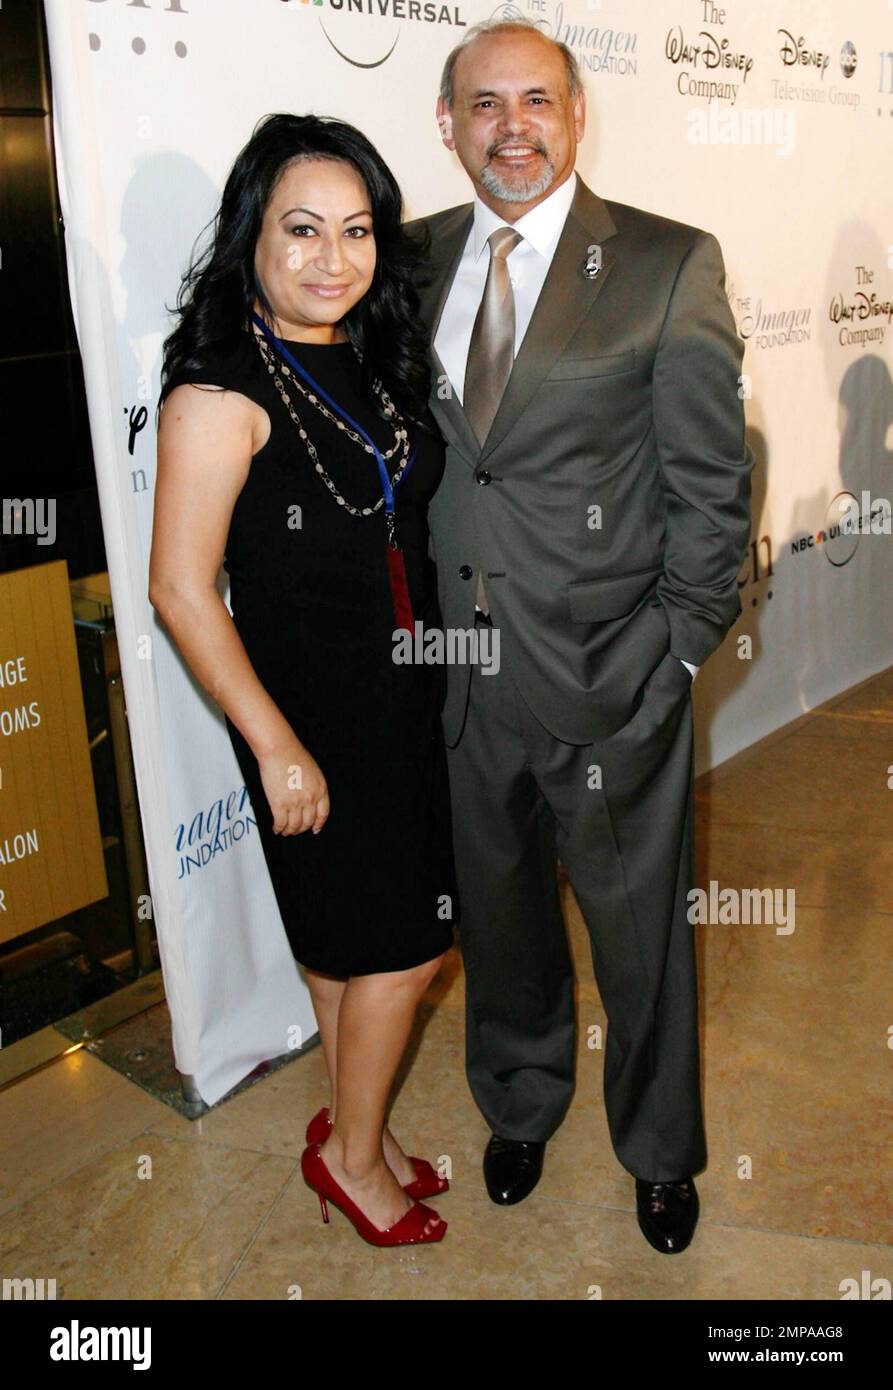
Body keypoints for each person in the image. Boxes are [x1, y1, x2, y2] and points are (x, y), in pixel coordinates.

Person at [405, 18, 754, 1254]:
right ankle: (518, 1098)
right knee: (496, 913)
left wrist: (674, 647)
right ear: (447, 124)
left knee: (639, 932)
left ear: (574, 114)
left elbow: (713, 483)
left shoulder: (664, 263)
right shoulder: (405, 262)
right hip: (457, 674)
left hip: (613, 670)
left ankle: (660, 1149)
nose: (512, 128)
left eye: (535, 101)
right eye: (483, 104)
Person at [149, 113, 457, 1248]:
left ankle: (352, 1126)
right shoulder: (217, 388)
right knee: (409, 947)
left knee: (343, 948)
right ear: (251, 238)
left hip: (399, 689)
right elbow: (180, 590)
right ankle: (352, 1162)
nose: (333, 257)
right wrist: (274, 743)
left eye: (357, 229)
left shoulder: (366, 354)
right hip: (309, 710)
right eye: (301, 229)